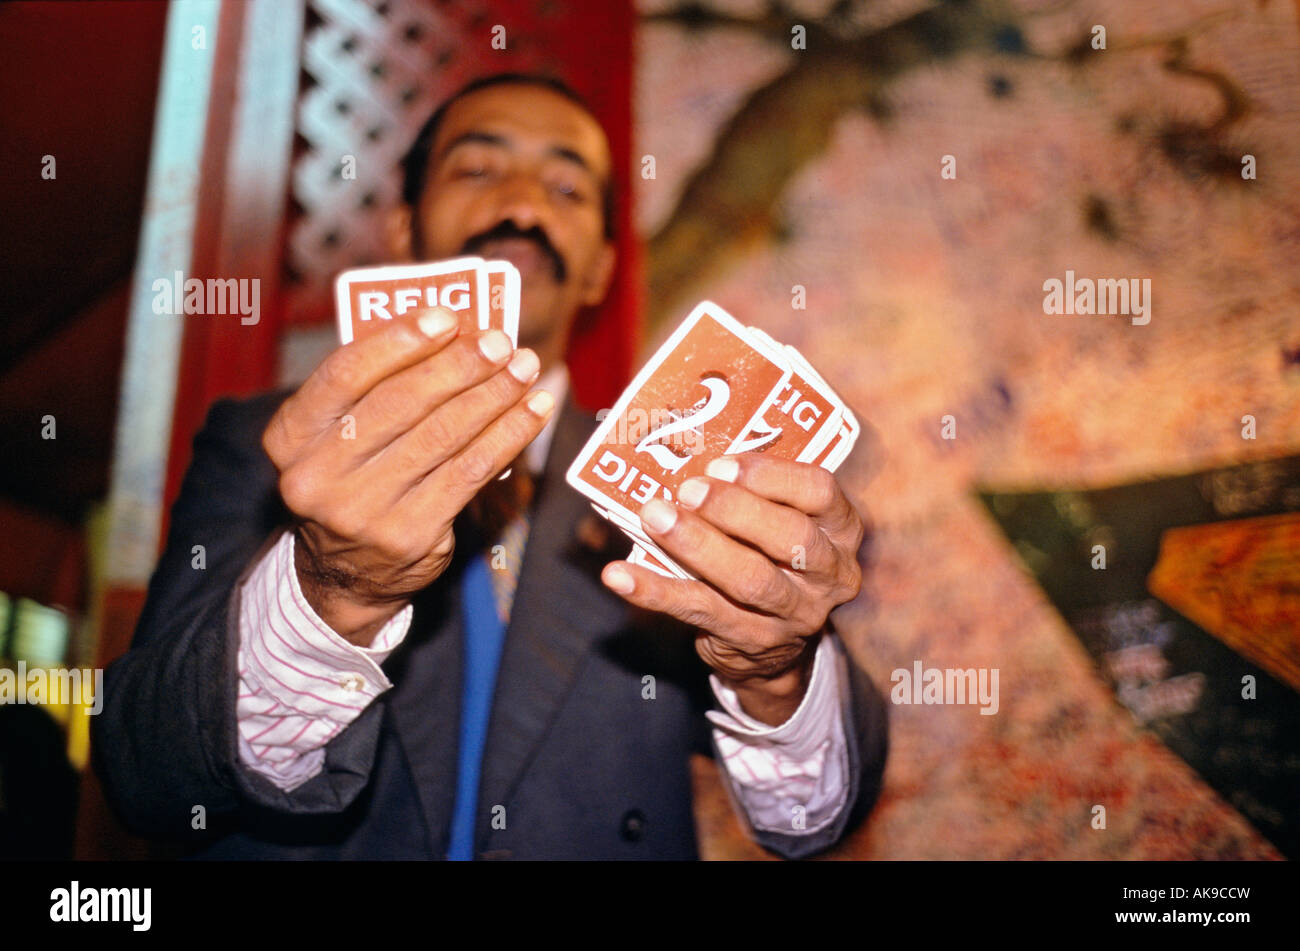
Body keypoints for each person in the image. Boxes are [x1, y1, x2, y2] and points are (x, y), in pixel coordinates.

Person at [93, 72, 889, 860]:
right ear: (403, 233)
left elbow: (809, 814)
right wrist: (330, 591)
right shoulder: (272, 441)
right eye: (477, 168)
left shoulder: (686, 465)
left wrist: (774, 672)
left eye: (567, 188)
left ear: (604, 269)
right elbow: (148, 772)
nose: (522, 204)